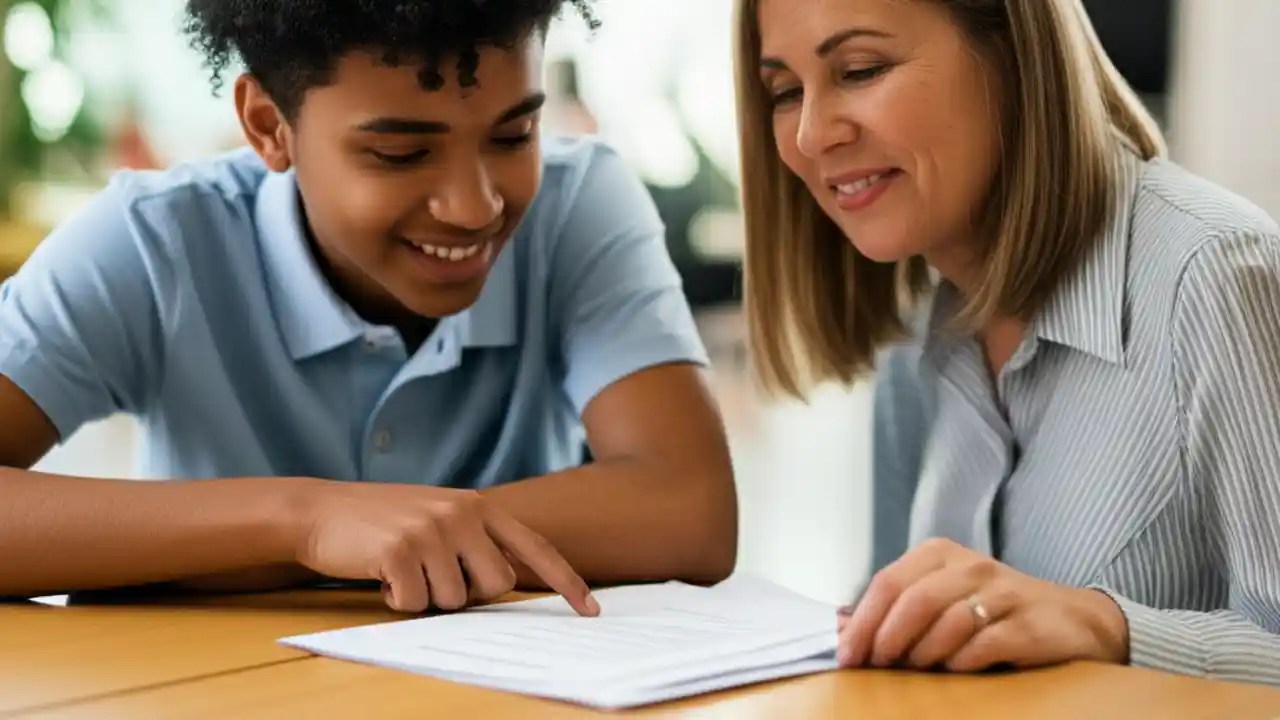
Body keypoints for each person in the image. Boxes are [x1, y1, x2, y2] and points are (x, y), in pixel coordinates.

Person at [0, 0, 738, 615]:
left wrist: (225, 559)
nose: (474, 205)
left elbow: (686, 507)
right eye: (399, 155)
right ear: (268, 125)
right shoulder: (154, 239)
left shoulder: (578, 202)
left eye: (513, 135)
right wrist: (306, 522)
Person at [735, 0, 1280, 685]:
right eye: (785, 93)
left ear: (1014, 53)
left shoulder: (1218, 274)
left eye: (861, 69)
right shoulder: (913, 336)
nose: (811, 135)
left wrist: (1101, 625)